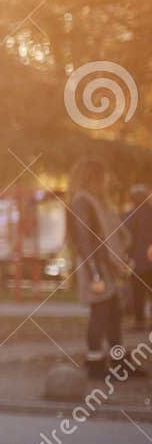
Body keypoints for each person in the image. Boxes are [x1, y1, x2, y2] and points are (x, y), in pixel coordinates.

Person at [67, 158, 127, 375]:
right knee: (100, 314)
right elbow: (84, 241)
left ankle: (118, 362)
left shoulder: (94, 201)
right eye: (103, 176)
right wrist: (95, 275)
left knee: (113, 315)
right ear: (94, 177)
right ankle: (95, 364)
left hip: (103, 265)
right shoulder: (82, 202)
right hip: (94, 266)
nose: (107, 180)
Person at [124, 184, 152, 332]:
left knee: (138, 293)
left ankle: (139, 321)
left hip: (137, 261)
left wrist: (126, 256)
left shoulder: (130, 215)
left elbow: (126, 238)